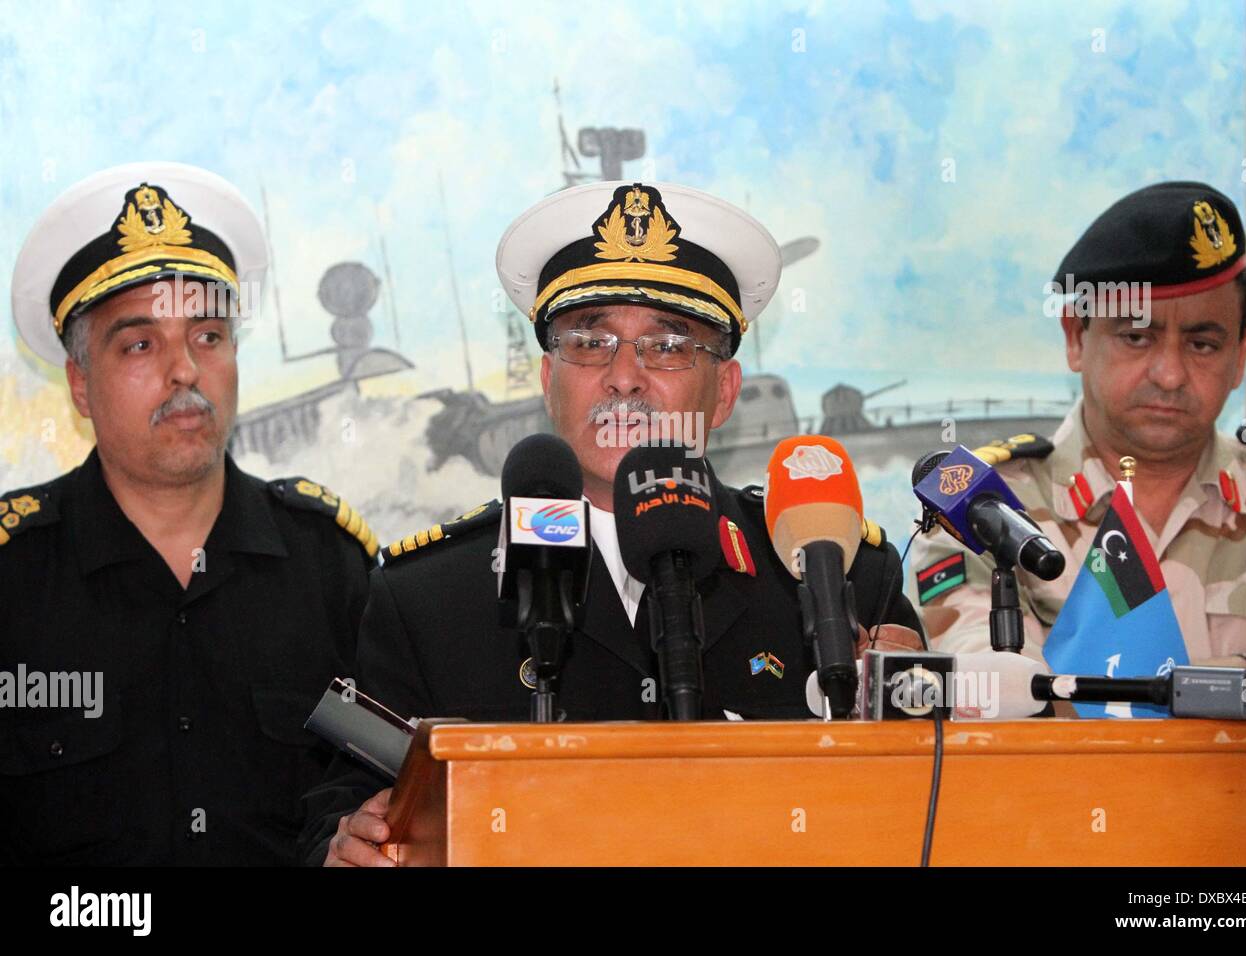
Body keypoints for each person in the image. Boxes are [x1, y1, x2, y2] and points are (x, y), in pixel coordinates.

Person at [304, 181, 923, 866]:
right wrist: (346, 845)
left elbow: (924, 813)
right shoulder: (429, 598)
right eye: (592, 342)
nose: (624, 377)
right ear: (548, 381)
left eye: (667, 345)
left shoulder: (832, 572)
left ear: (723, 392)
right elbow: (339, 814)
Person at [907, 181, 1246, 864]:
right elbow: (1007, 734)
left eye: (1203, 343)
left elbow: (1067, 733)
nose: (1171, 373)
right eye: (1137, 336)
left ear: (1244, 351)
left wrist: (1096, 710)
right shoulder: (982, 508)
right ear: (1075, 336)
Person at [1, 163, 378, 864]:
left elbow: (380, 798)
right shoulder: (14, 575)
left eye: (207, 337)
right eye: (141, 344)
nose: (185, 372)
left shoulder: (330, 569)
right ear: (80, 383)